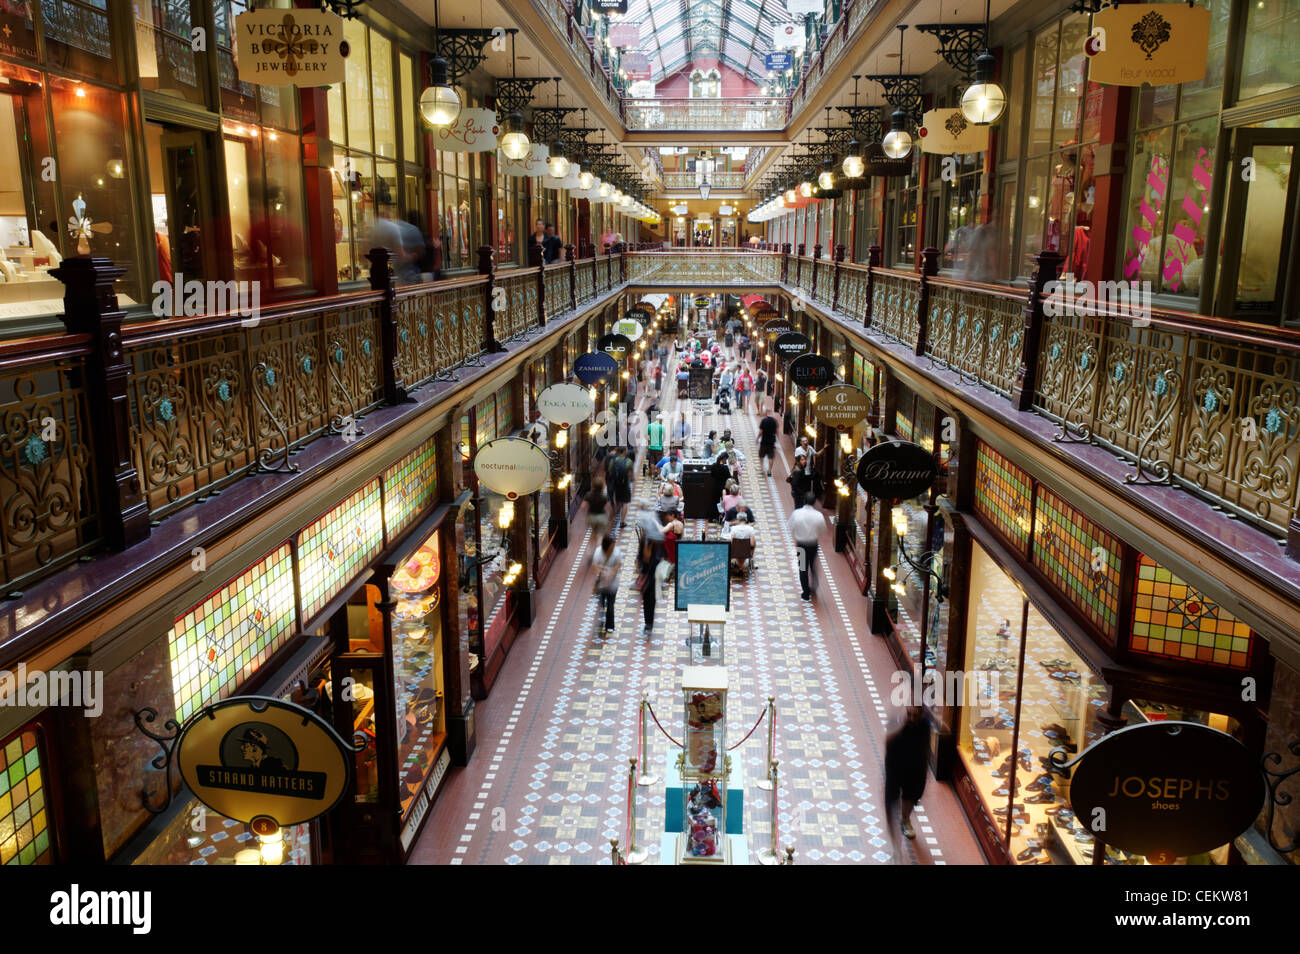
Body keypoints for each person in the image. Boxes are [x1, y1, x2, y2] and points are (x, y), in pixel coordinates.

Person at [885, 702, 933, 845]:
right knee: (891, 798)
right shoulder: (898, 721)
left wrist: (933, 717)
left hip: (916, 765)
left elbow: (945, 729)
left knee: (911, 795)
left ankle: (905, 820)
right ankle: (894, 842)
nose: (912, 718)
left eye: (915, 715)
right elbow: (887, 738)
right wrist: (900, 726)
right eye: (909, 714)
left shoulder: (925, 724)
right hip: (896, 764)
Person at [789, 492, 822, 601]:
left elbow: (790, 527)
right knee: (812, 566)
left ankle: (806, 592)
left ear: (804, 501)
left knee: (803, 568)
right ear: (814, 502)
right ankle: (814, 586)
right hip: (813, 544)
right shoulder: (818, 515)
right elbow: (823, 530)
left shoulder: (797, 513)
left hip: (801, 545)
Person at [590, 535, 622, 639]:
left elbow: (618, 564)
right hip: (602, 583)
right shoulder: (598, 552)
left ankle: (610, 626)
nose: (613, 547)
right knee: (603, 601)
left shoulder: (616, 552)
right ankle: (602, 604)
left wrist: (612, 571)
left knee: (611, 605)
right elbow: (594, 565)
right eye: (612, 545)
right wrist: (603, 569)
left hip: (612, 583)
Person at [635, 537, 661, 639]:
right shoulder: (641, 554)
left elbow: (658, 563)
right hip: (645, 581)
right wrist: (638, 566)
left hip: (653, 580)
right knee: (646, 602)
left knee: (652, 601)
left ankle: (649, 623)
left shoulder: (656, 553)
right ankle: (647, 623)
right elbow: (638, 563)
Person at [607, 446, 633, 526]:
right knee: (625, 502)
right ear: (624, 451)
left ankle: (615, 517)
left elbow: (610, 471)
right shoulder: (628, 461)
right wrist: (630, 479)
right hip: (625, 484)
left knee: (617, 500)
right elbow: (630, 473)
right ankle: (622, 521)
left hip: (616, 484)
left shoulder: (613, 461)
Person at [585, 475, 608, 542]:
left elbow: (583, 506)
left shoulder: (588, 495)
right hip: (601, 517)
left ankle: (593, 548)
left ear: (593, 486)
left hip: (591, 517)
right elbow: (607, 506)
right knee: (600, 535)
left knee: (593, 533)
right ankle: (598, 548)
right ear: (602, 486)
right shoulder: (604, 496)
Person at [757, 412, 778, 476]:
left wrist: (757, 438)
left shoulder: (764, 421)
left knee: (761, 456)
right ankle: (769, 471)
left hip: (764, 441)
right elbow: (777, 432)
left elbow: (761, 431)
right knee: (771, 457)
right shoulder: (774, 422)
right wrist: (776, 441)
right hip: (771, 442)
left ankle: (762, 469)